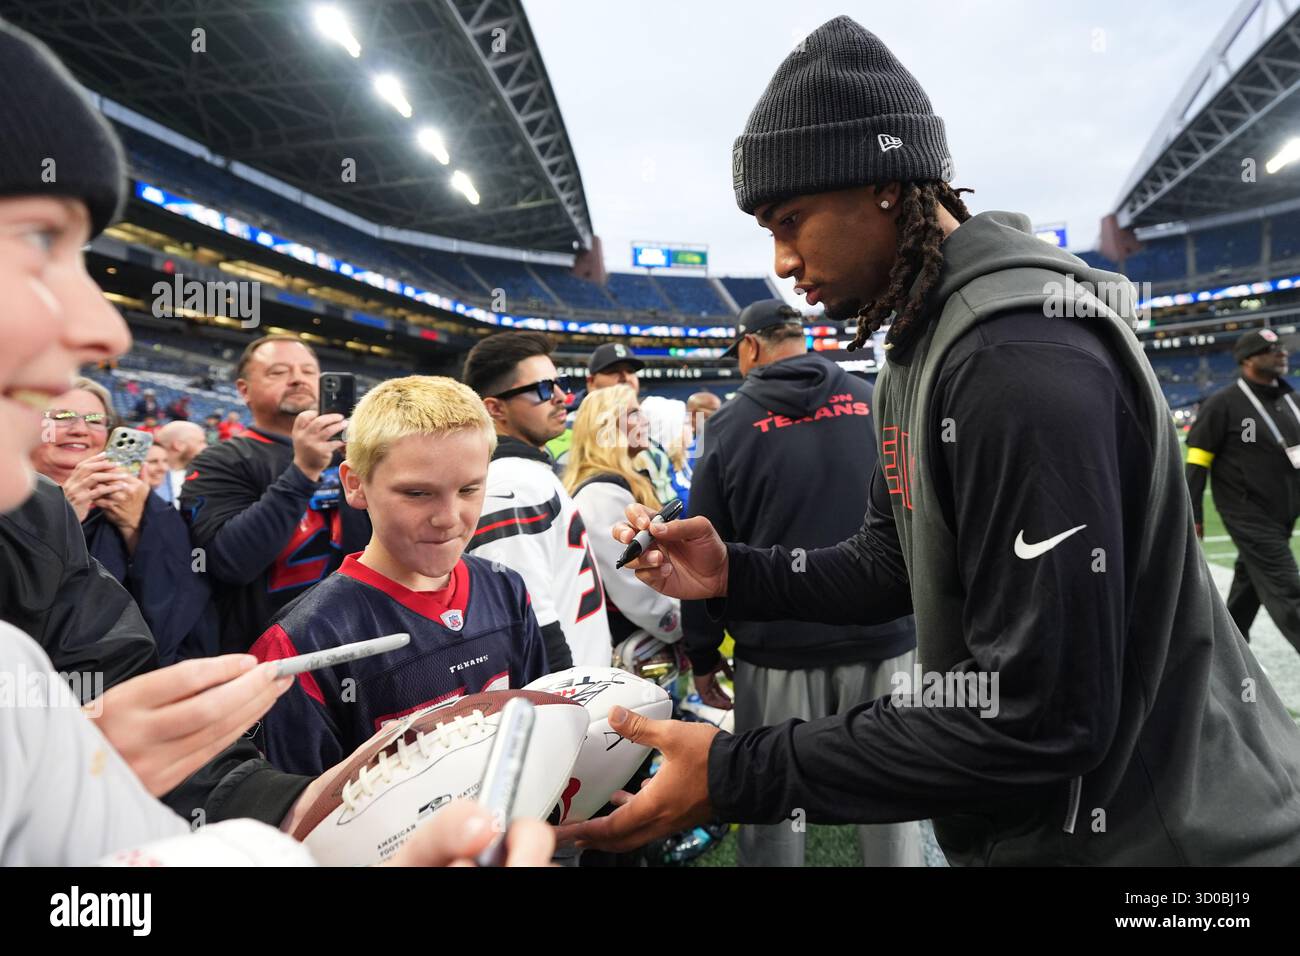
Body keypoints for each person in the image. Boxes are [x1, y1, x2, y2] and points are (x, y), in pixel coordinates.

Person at [562, 15, 1300, 865]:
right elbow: (892, 563)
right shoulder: (925, 339)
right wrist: (739, 572)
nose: (781, 263)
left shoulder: (1012, 359)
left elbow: (1039, 716)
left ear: (886, 184)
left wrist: (741, 768)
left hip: (1166, 845)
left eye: (791, 217)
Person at [0, 16, 548, 869]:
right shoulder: (229, 472)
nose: (102, 326)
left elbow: (145, 717)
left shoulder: (27, 531)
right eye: (39, 247)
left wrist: (319, 814)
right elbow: (224, 572)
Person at [686, 298, 920, 867]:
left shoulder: (727, 424)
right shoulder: (873, 399)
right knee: (893, 806)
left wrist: (701, 653)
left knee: (769, 805)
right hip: (886, 640)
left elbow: (699, 547)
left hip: (777, 649)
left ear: (750, 347)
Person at [250, 376, 549, 776]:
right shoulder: (303, 641)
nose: (448, 519)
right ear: (355, 485)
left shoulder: (505, 586)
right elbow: (294, 818)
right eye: (417, 494)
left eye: (468, 489)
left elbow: (538, 728)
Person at [180, 334, 371, 652]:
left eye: (308, 371)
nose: (298, 379)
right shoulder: (220, 460)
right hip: (268, 652)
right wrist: (303, 471)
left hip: (360, 634)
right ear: (243, 390)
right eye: (278, 372)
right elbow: (229, 562)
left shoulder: (354, 454)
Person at [31, 378, 211, 664]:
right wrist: (61, 517)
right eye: (62, 417)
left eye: (94, 420)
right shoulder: (11, 499)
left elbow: (187, 600)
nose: (80, 429)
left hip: (130, 678)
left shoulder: (145, 504)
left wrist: (136, 529)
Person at [462, 331, 609, 669]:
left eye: (560, 384)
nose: (561, 397)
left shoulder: (528, 472)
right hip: (572, 701)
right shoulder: (511, 481)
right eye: (544, 389)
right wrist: (570, 705)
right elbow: (531, 622)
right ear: (495, 407)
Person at [1186, 329, 1300, 655]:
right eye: (1270, 349)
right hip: (1247, 513)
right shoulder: (1222, 404)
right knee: (1288, 589)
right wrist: (1193, 513)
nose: (1281, 353)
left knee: (1248, 584)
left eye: (1281, 348)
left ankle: (1224, 654)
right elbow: (1196, 462)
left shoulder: (1291, 399)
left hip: (1284, 512)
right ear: (1248, 359)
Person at [563, 384, 683, 647]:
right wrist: (680, 628)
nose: (645, 421)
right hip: (632, 641)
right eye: (633, 413)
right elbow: (632, 588)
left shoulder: (612, 484)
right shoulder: (601, 493)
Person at [154, 419, 207, 508]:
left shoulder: (201, 476)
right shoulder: (150, 479)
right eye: (201, 442)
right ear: (179, 445)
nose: (205, 447)